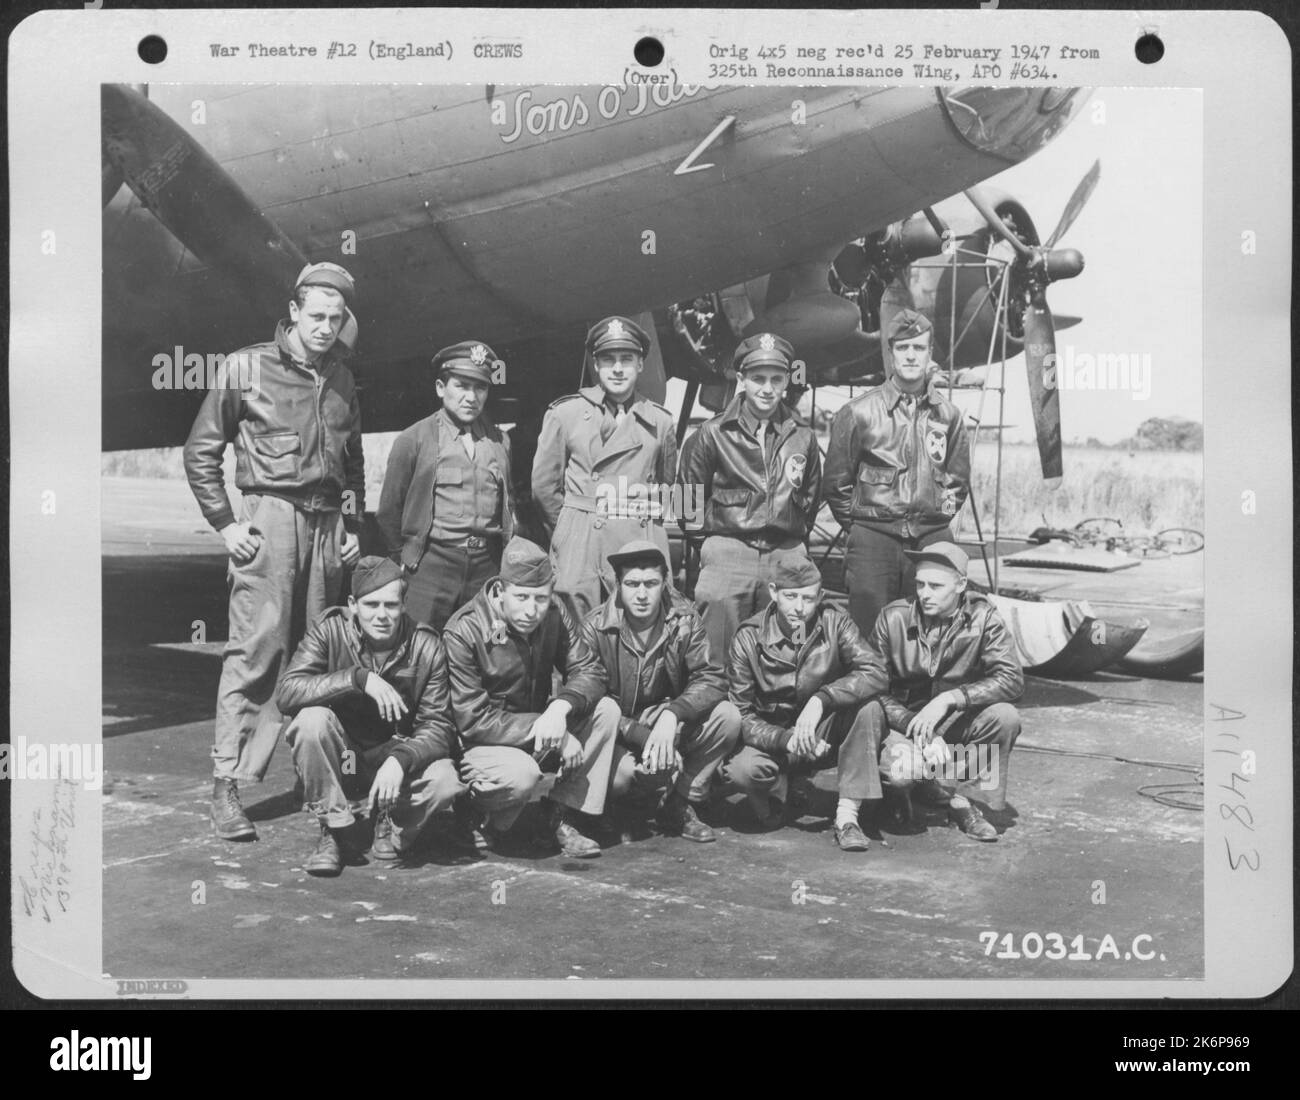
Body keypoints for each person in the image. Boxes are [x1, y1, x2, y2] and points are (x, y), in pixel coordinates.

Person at [184, 262, 365, 841]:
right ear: (293, 311)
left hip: (327, 525)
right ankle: (226, 787)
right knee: (257, 650)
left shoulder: (341, 375)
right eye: (316, 316)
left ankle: (321, 782)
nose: (326, 327)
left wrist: (353, 519)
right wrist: (225, 524)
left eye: (336, 319)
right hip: (270, 518)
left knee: (322, 655)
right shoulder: (245, 366)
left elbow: (354, 459)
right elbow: (201, 451)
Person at [276, 557, 464, 875]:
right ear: (352, 604)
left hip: (396, 760)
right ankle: (334, 831)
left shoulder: (426, 646)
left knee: (445, 781)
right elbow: (288, 692)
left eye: (390, 605)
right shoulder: (329, 630)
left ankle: (390, 821)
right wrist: (357, 679)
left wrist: (401, 760)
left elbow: (438, 725)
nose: (380, 615)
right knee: (310, 722)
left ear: (404, 604)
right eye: (371, 604)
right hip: (344, 755)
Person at [443, 537, 619, 858]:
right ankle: (475, 814)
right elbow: (472, 719)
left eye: (540, 598)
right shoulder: (464, 631)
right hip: (483, 744)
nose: (531, 610)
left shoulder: (554, 613)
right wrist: (553, 730)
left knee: (606, 710)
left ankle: (559, 815)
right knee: (523, 775)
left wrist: (560, 709)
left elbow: (590, 671)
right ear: (499, 591)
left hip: (538, 734)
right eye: (521, 597)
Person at [722, 552, 896, 852]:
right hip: (776, 740)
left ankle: (847, 817)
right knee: (743, 771)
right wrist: (785, 739)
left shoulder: (835, 622)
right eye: (791, 597)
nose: (800, 609)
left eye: (809, 598)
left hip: (824, 732)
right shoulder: (748, 638)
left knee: (869, 707)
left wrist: (822, 699)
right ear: (773, 592)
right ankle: (782, 788)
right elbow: (741, 712)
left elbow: (876, 672)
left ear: (821, 596)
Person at [579, 540, 741, 843]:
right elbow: (589, 700)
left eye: (651, 583)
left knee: (728, 717)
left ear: (665, 583)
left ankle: (678, 804)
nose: (642, 594)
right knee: (621, 778)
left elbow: (711, 677)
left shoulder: (685, 619)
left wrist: (672, 715)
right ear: (618, 585)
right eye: (632, 584)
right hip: (619, 728)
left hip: (666, 720)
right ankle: (616, 807)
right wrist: (641, 735)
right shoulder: (595, 627)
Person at [823, 308, 971, 638]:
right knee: (869, 630)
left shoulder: (949, 415)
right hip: (874, 536)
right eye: (902, 348)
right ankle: (869, 690)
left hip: (930, 535)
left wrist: (936, 517)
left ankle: (920, 691)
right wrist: (863, 525)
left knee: (927, 630)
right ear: (890, 353)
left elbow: (957, 483)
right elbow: (836, 482)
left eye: (918, 348)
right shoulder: (858, 411)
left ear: (929, 354)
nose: (910, 356)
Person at [861, 542, 1023, 842]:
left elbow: (1011, 678)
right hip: (900, 723)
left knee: (1005, 717)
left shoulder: (984, 618)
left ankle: (964, 801)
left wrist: (951, 698)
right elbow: (869, 685)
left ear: (961, 584)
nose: (924, 593)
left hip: (952, 722)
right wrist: (912, 723)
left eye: (936, 586)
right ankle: (901, 792)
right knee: (901, 774)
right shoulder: (893, 617)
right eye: (920, 584)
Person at [676, 332, 824, 660]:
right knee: (716, 630)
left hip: (785, 550)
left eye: (776, 379)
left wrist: (790, 536)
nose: (768, 389)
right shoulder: (710, 434)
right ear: (741, 379)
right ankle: (712, 702)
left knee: (792, 643)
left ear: (787, 380)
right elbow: (686, 501)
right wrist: (711, 545)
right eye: (758, 379)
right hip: (728, 546)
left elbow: (810, 499)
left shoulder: (804, 437)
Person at [531, 316, 677, 620]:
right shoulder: (566, 413)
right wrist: (572, 527)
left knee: (637, 627)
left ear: (640, 365)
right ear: (595, 365)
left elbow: (665, 485)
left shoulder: (661, 422)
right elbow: (544, 487)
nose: (618, 368)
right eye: (608, 360)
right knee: (574, 627)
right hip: (582, 541)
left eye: (627, 359)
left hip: (635, 538)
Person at [377, 340, 514, 629]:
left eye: (480, 387)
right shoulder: (414, 439)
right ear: (441, 388)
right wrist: (402, 560)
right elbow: (389, 509)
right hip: (432, 564)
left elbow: (507, 503)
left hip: (485, 566)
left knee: (488, 646)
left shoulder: (500, 442)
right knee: (420, 646)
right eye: (461, 385)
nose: (471, 396)